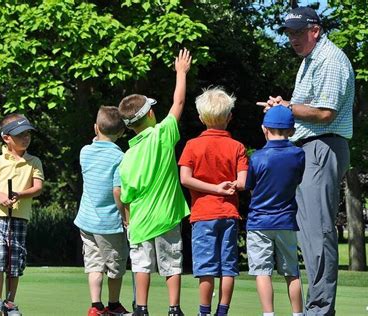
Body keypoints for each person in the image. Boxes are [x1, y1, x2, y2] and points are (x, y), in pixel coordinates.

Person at [261, 6, 354, 316]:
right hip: (308, 148)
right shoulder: (310, 61)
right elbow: (307, 109)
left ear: (315, 30)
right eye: (289, 33)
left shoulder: (330, 60)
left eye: (298, 32)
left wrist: (287, 106)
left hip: (322, 147)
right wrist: (286, 108)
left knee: (318, 231)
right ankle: (318, 307)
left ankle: (320, 310)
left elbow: (325, 113)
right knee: (308, 232)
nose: (293, 38)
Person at [118, 49, 192, 316]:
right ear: (149, 115)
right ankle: (174, 309)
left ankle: (141, 308)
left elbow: (125, 196)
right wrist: (181, 73)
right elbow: (179, 103)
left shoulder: (126, 157)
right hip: (166, 216)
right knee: (171, 263)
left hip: (139, 221)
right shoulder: (162, 135)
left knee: (141, 265)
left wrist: (127, 219)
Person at [178, 87, 248, 316]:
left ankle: (204, 311)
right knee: (228, 267)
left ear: (200, 118)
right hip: (228, 213)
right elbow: (242, 182)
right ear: (229, 117)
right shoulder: (237, 146)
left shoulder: (192, 145)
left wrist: (212, 188)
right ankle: (223, 311)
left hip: (203, 215)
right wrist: (226, 187)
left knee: (206, 268)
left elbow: (185, 179)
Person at [0, 114, 44, 316]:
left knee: (14, 259)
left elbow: (38, 188)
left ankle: (10, 302)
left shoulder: (34, 161)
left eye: (27, 134)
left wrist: (20, 194)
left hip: (19, 216)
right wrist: (1, 196)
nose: (26, 138)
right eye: (20, 135)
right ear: (6, 138)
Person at [245, 106, 305, 316]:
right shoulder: (298, 155)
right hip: (286, 221)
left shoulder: (257, 157)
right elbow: (297, 179)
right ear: (291, 130)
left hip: (259, 222)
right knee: (292, 272)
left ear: (264, 129)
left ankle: (268, 314)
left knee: (262, 272)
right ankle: (298, 314)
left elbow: (249, 185)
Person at [74, 106, 131, 316]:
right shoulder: (121, 157)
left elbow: (93, 147)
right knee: (115, 265)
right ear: (121, 133)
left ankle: (95, 306)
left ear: (95, 128)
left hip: (87, 221)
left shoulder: (85, 151)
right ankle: (113, 304)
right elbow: (117, 192)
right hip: (110, 223)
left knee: (94, 265)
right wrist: (126, 217)